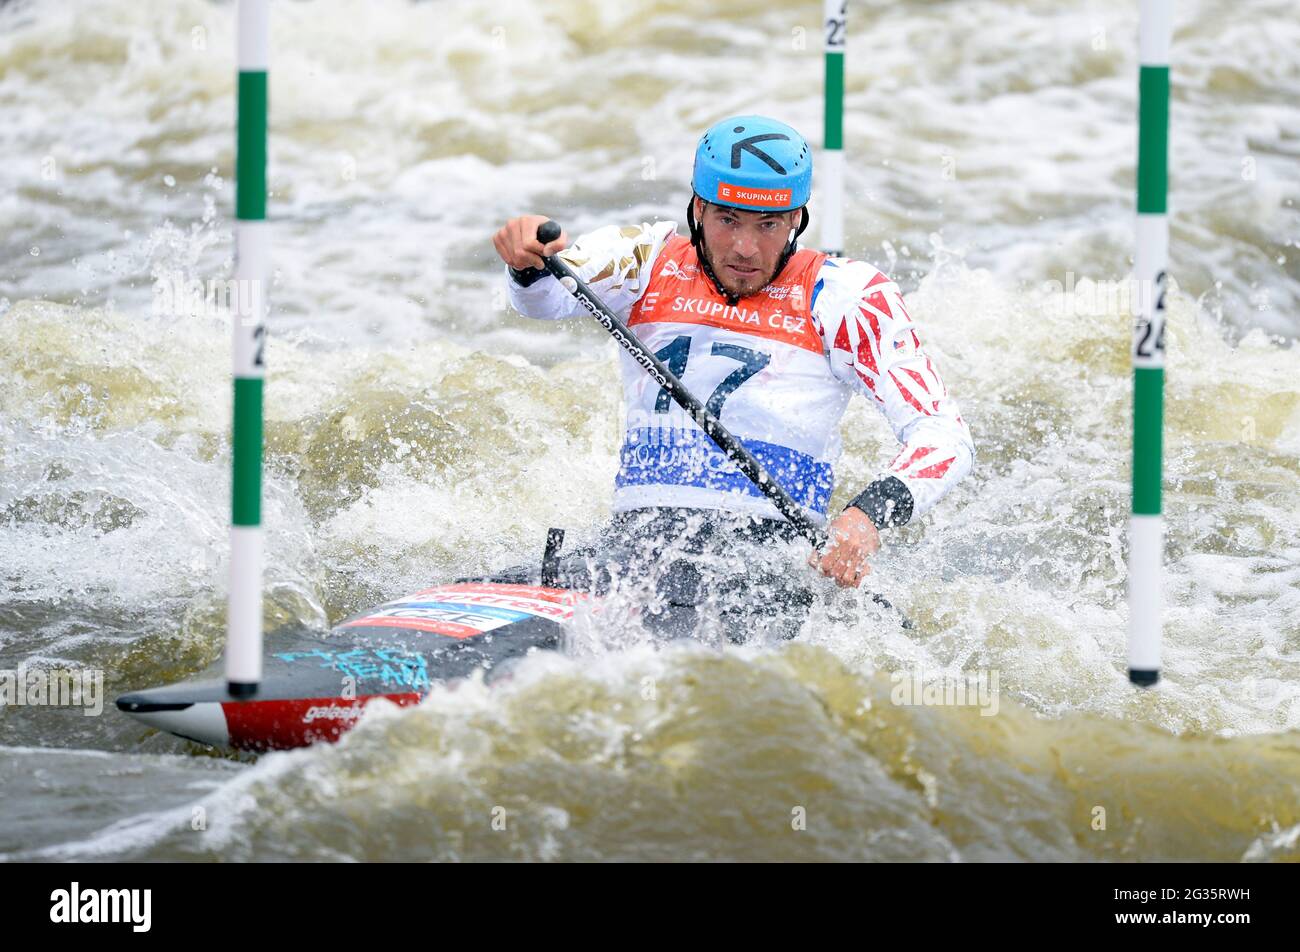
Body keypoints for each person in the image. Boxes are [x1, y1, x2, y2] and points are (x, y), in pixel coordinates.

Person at [489, 116, 974, 634]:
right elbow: (543, 298)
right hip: (634, 549)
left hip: (762, 568)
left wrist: (866, 517)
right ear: (698, 209)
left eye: (768, 225)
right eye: (727, 220)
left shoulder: (844, 296)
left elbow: (944, 436)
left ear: (797, 221)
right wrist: (527, 259)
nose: (745, 248)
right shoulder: (645, 259)